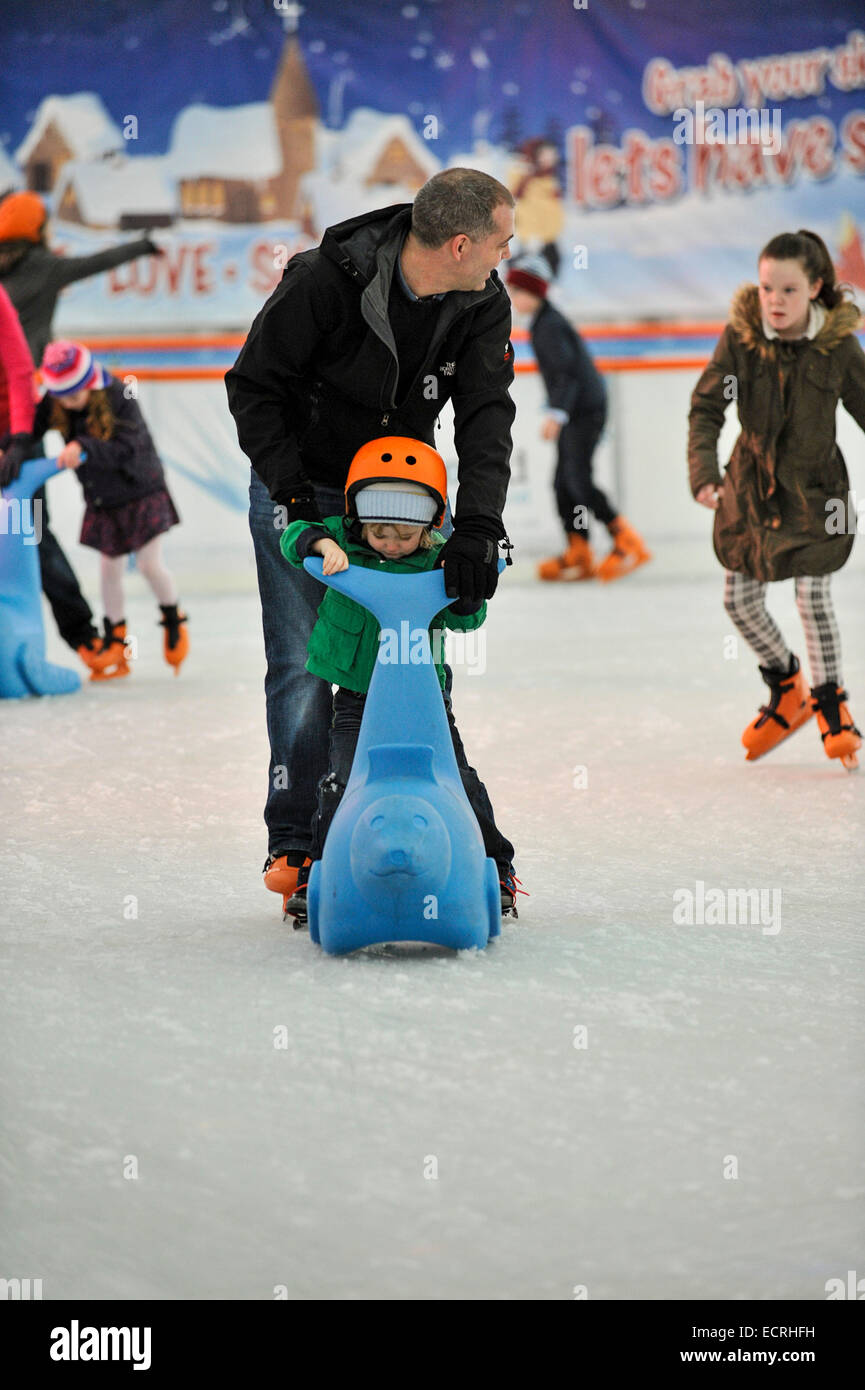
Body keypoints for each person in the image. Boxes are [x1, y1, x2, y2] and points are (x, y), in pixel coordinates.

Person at [226, 167, 517, 906]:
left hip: (399, 498)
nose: (502, 258)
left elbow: (486, 415)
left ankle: (457, 836)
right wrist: (294, 499)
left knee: (409, 664)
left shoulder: (479, 301)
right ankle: (297, 846)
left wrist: (478, 524)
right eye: (498, 244)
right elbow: (253, 386)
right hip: (301, 483)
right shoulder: (326, 280)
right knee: (301, 665)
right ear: (459, 244)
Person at [279, 437, 520, 918]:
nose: (390, 543)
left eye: (404, 535)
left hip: (426, 697)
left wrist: (468, 595)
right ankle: (320, 871)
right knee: (341, 780)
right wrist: (317, 543)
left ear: (431, 525)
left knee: (457, 776)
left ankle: (495, 865)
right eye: (380, 531)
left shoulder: (440, 559)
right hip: (356, 696)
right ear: (356, 519)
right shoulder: (342, 545)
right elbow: (293, 535)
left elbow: (466, 621)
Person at [688, 228, 865, 769]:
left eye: (788, 290)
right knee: (739, 602)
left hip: (817, 494)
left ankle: (832, 703)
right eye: (768, 288)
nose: (775, 301)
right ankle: (787, 685)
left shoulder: (838, 347)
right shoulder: (741, 338)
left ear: (814, 287)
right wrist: (704, 473)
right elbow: (707, 408)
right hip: (751, 490)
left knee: (813, 599)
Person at [0, 190, 162, 667]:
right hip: (25, 416)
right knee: (32, 531)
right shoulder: (45, 268)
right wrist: (143, 246)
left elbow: (15, 365)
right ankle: (87, 639)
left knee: (29, 530)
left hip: (22, 418)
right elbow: (97, 262)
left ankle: (85, 639)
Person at [37, 340, 188, 679]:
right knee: (109, 571)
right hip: (104, 500)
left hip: (141, 492)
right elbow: (32, 425)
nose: (68, 404)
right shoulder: (59, 400)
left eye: (75, 396)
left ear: (90, 383)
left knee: (149, 565)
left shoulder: (121, 394)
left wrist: (84, 446)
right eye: (62, 397)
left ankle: (174, 619)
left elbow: (129, 445)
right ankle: (116, 641)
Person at [506, 256, 651, 583]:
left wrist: (556, 414)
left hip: (584, 411)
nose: (512, 297)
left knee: (577, 480)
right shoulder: (543, 322)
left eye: (516, 289)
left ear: (532, 291)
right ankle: (579, 550)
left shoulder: (549, 326)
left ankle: (626, 541)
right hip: (578, 409)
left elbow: (567, 375)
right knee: (562, 484)